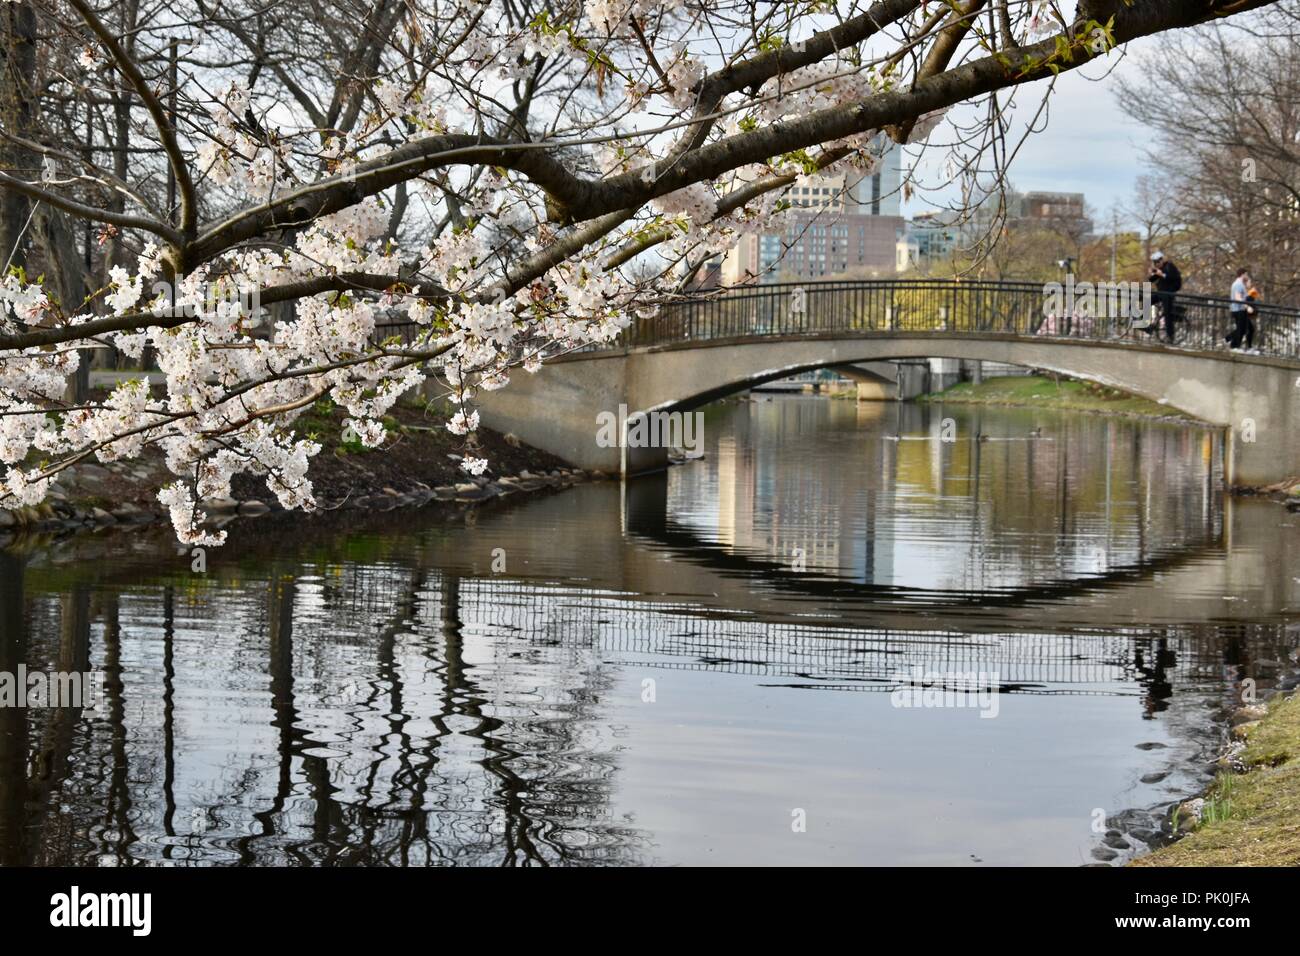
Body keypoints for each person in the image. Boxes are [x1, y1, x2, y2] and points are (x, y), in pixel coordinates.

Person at [1148, 251, 1182, 342]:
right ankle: (1146, 324)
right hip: (1161, 293)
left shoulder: (1170, 266)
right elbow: (1151, 279)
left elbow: (1174, 278)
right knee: (1147, 301)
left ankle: (1170, 337)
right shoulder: (1160, 269)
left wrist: (1162, 274)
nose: (1157, 265)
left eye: (1157, 262)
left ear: (1161, 260)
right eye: (1155, 263)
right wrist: (1152, 273)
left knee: (1168, 315)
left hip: (1168, 294)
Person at [1227, 267, 1251, 349]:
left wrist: (1248, 287)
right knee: (1242, 329)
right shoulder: (1238, 284)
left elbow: (1245, 296)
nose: (1248, 276)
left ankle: (1234, 345)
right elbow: (1238, 297)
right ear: (1242, 274)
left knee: (1243, 329)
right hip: (1238, 310)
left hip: (1240, 310)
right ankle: (1230, 341)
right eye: (1246, 274)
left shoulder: (1241, 284)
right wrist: (1246, 306)